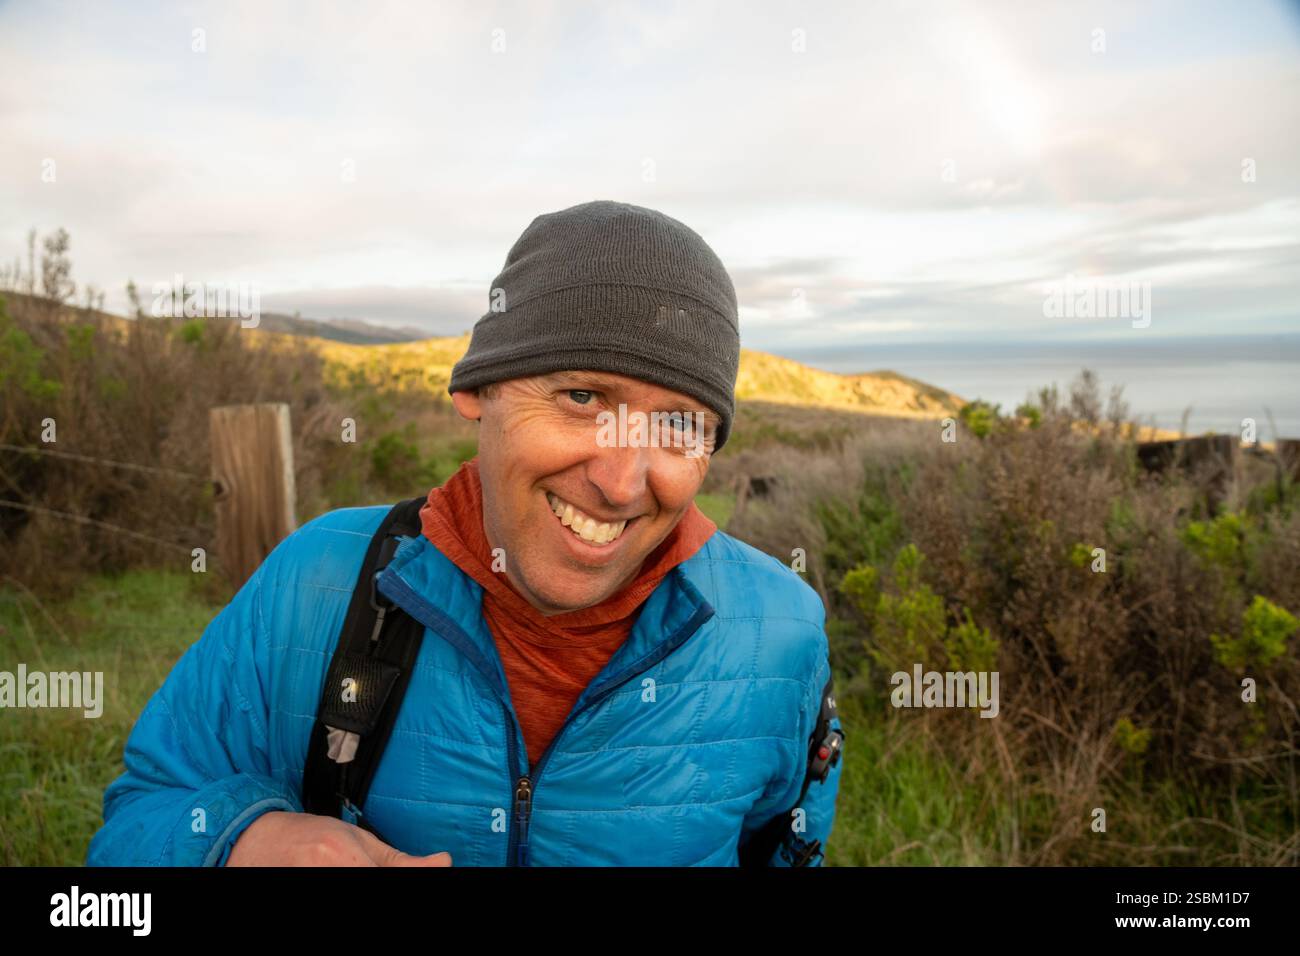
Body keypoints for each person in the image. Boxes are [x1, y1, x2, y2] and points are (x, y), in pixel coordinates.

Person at [86, 199, 843, 867]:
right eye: (581, 396)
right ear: (476, 390)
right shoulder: (315, 585)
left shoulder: (782, 635)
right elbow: (142, 818)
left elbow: (788, 847)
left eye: (679, 424)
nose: (620, 482)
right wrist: (237, 844)